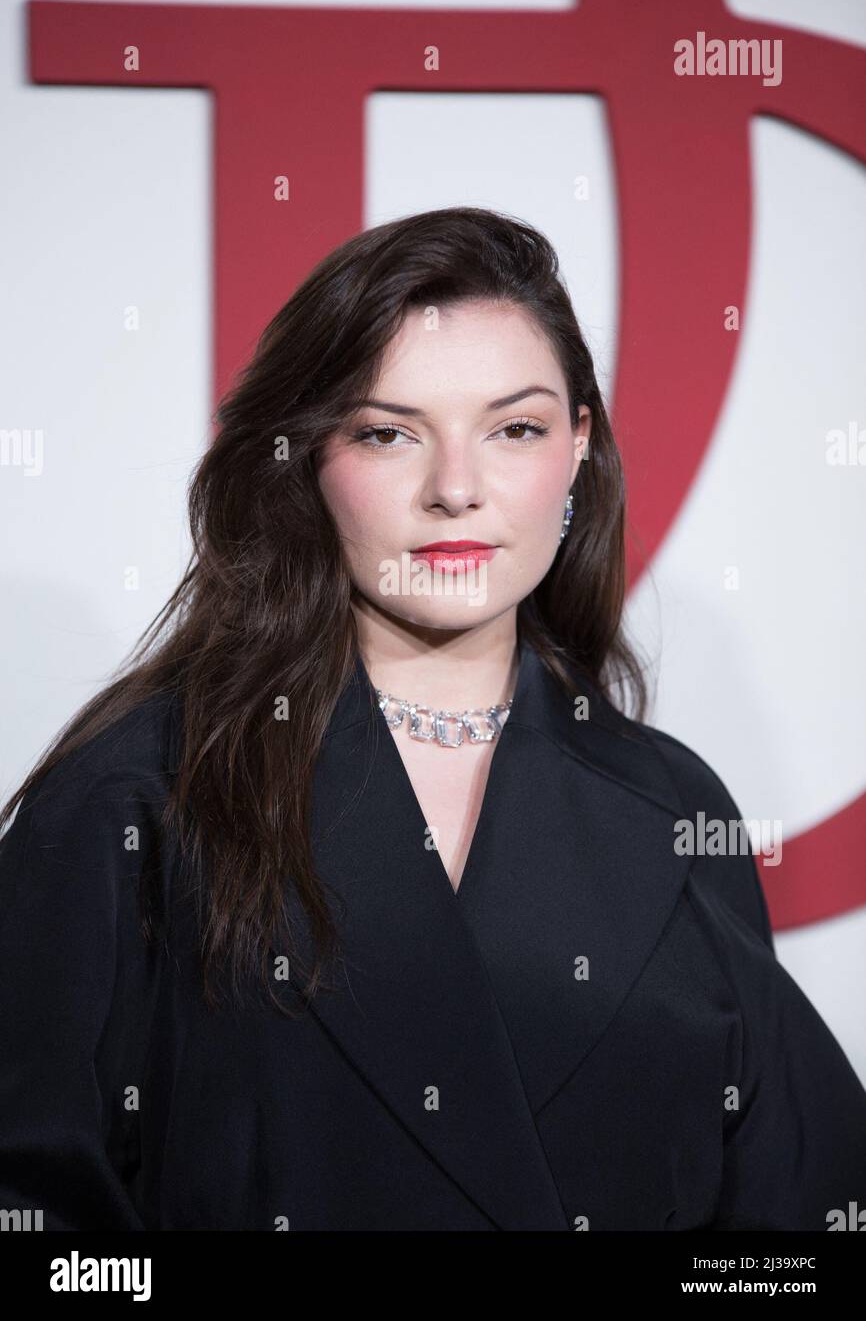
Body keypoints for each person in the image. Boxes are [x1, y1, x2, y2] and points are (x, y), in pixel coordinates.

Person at [1, 206, 864, 1232]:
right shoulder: (141, 795)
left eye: (514, 429)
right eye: (385, 432)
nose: (455, 489)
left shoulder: (672, 806)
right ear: (305, 458)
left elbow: (788, 1221)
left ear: (577, 447)